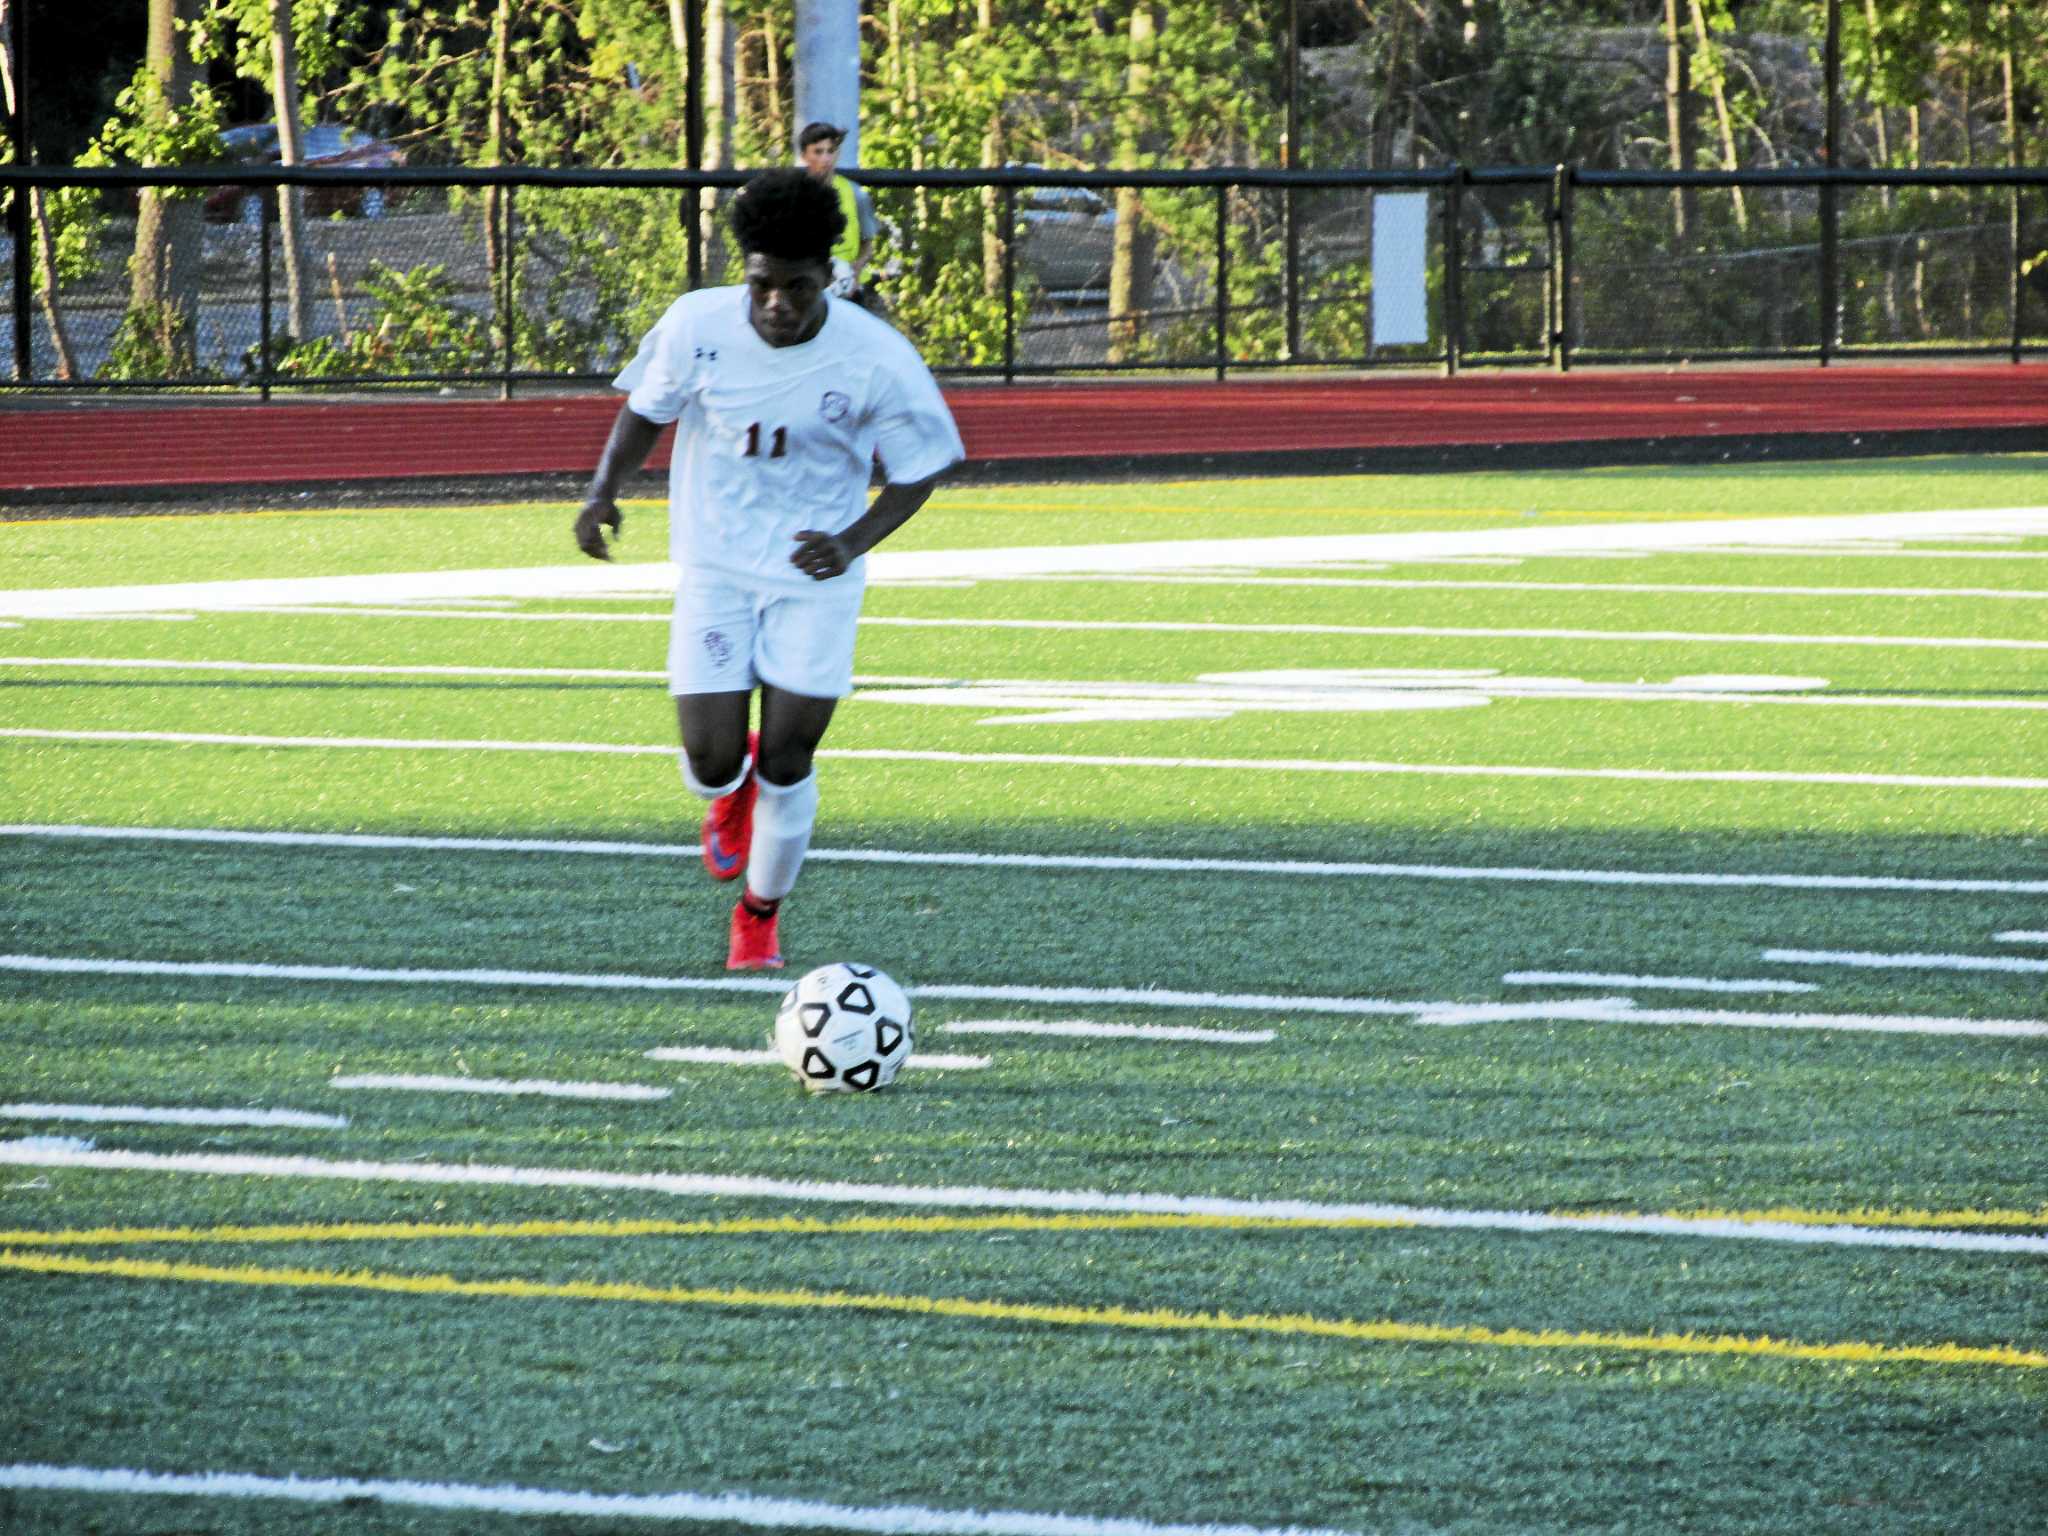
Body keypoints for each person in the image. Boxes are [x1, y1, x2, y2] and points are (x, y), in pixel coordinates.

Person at [574, 168, 963, 971]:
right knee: (714, 762)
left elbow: (921, 468)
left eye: (795, 286)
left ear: (829, 276)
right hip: (716, 568)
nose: (775, 304)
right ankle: (729, 794)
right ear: (743, 274)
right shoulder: (696, 325)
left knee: (789, 757)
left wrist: (853, 540)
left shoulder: (877, 356)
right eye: (760, 286)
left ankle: (759, 916)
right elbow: (646, 410)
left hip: (813, 580)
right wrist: (601, 493)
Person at [796, 121, 878, 303]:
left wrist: (855, 270)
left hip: (850, 289)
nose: (825, 158)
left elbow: (868, 241)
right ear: (804, 156)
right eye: (818, 152)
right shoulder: (793, 194)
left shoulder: (855, 193)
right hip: (808, 288)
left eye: (830, 151)